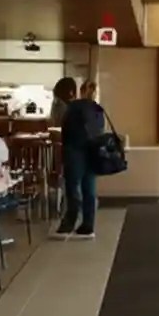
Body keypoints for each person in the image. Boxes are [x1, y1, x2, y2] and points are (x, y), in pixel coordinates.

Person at [55, 84, 106, 238]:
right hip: (92, 152)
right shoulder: (97, 109)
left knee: (73, 187)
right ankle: (88, 226)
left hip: (75, 151)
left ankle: (68, 224)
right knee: (89, 188)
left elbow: (66, 132)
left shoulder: (73, 108)